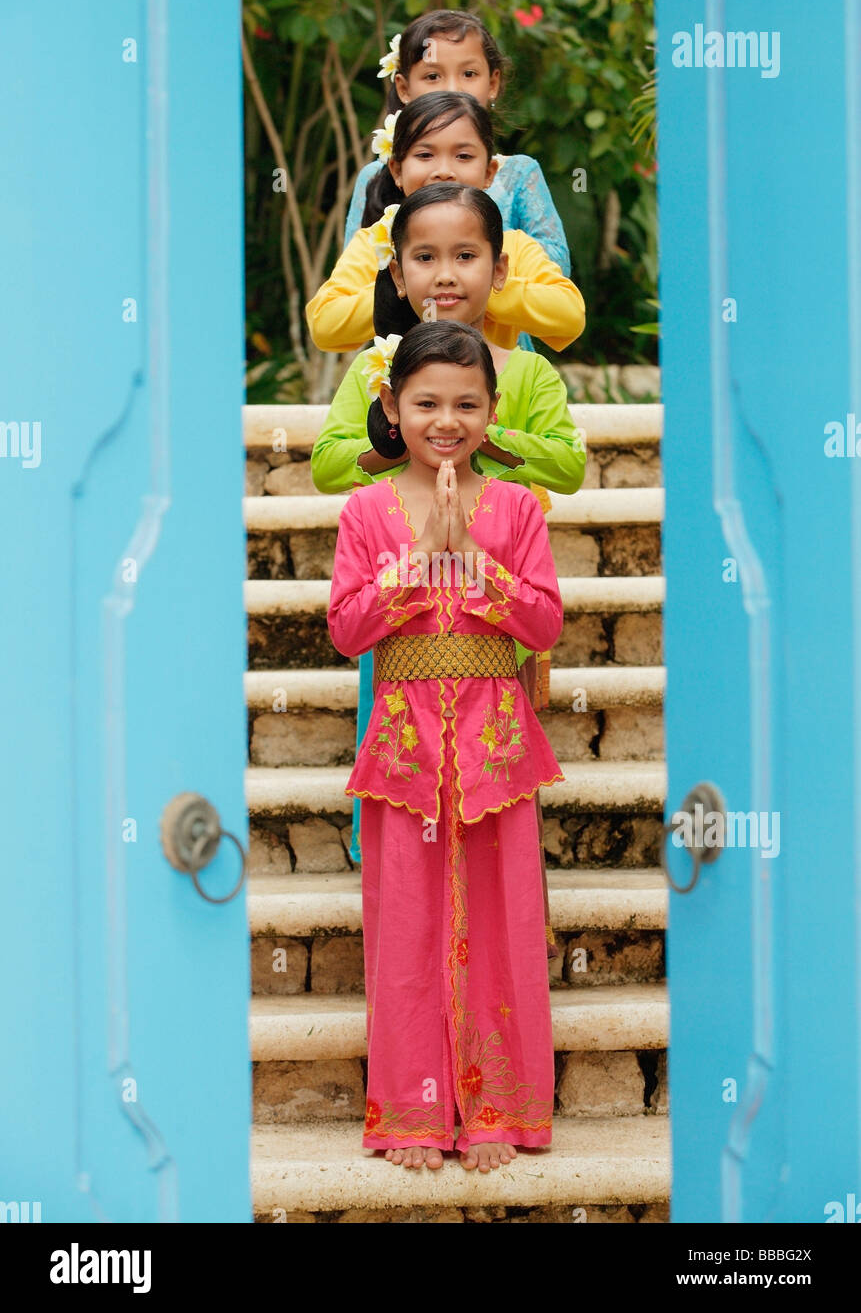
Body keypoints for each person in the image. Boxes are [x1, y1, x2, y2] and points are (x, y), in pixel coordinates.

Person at [327, 319, 565, 1171]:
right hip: (404, 752)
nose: (446, 420)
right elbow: (347, 630)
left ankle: (498, 1112)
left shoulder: (516, 508)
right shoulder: (364, 510)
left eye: (467, 404)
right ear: (392, 405)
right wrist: (419, 558)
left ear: (492, 410)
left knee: (505, 922)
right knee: (406, 928)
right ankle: (415, 1116)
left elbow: (543, 620)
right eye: (426, 401)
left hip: (496, 749)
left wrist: (475, 561)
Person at [311, 184, 585, 901]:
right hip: (406, 639)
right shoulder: (374, 382)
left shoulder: (524, 383)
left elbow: (568, 466)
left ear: (498, 267)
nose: (444, 274)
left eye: (465, 255)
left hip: (497, 628)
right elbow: (325, 466)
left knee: (493, 797)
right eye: (424, 257)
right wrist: (395, 453)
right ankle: (391, 864)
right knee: (406, 784)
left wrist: (486, 445)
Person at [306, 92, 584, 356]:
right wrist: (407, 288)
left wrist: (483, 286)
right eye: (425, 155)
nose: (444, 171)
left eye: (463, 156)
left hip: (493, 400)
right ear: (397, 171)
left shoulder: (513, 245)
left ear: (489, 172)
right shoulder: (377, 244)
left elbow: (569, 317)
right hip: (407, 403)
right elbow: (325, 326)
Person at [346, 8, 570, 286]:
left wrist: (481, 255)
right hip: (404, 329)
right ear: (404, 88)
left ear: (493, 83)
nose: (452, 89)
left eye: (468, 73)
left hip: (496, 328)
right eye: (432, 76)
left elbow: (557, 268)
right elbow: (351, 281)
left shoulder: (518, 174)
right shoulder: (376, 176)